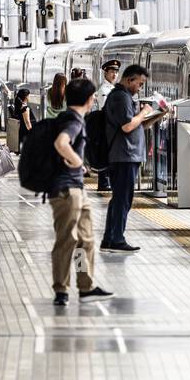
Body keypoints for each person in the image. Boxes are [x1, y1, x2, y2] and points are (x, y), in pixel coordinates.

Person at [46, 77, 115, 306]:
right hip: (66, 190)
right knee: (67, 240)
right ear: (88, 99)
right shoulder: (73, 121)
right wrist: (77, 161)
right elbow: (61, 143)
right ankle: (61, 290)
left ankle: (85, 287)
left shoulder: (70, 118)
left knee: (85, 239)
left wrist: (79, 166)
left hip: (77, 188)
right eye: (93, 96)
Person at [102, 63, 154, 253]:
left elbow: (136, 125)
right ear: (130, 79)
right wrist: (144, 112)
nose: (140, 88)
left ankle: (110, 238)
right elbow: (127, 126)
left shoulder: (123, 97)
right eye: (139, 84)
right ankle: (116, 239)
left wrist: (156, 116)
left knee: (119, 199)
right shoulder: (121, 98)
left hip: (126, 155)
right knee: (123, 199)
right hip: (123, 156)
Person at [94, 59, 120, 191]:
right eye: (111, 72)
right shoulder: (105, 90)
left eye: (116, 72)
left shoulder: (111, 89)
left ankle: (105, 182)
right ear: (105, 73)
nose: (114, 75)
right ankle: (104, 183)